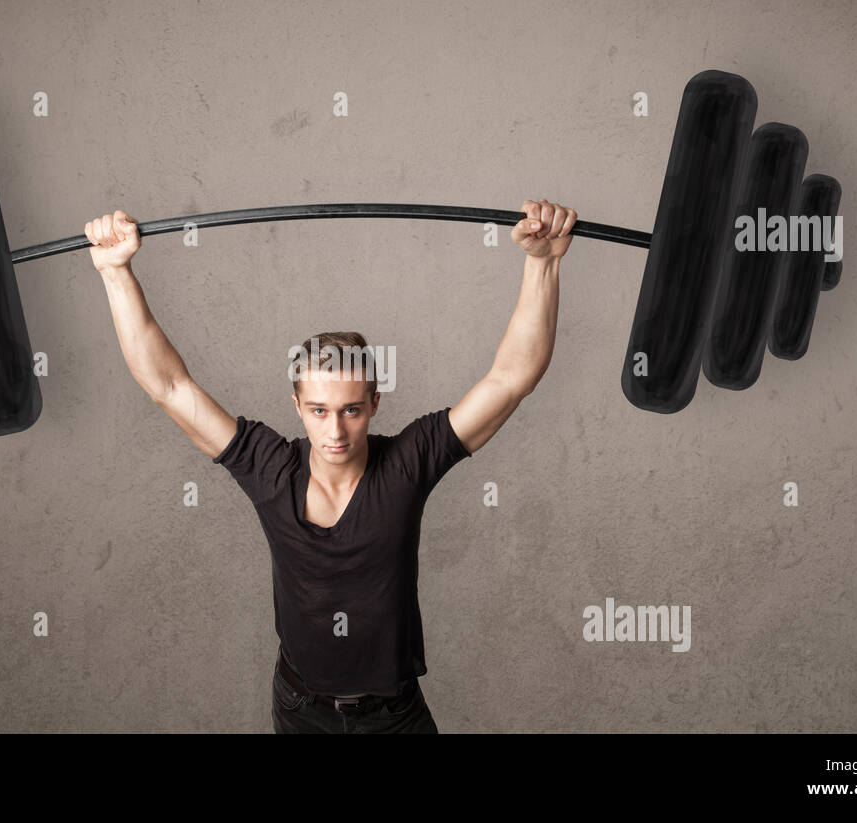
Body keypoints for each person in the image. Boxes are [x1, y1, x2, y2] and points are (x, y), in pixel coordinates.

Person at [84, 199, 576, 732]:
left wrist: (542, 263)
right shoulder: (268, 466)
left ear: (374, 405)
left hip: (393, 714)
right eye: (318, 411)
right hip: (302, 711)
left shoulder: (407, 463)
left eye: (351, 410)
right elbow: (169, 386)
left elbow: (511, 378)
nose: (335, 431)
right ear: (297, 407)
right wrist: (115, 271)